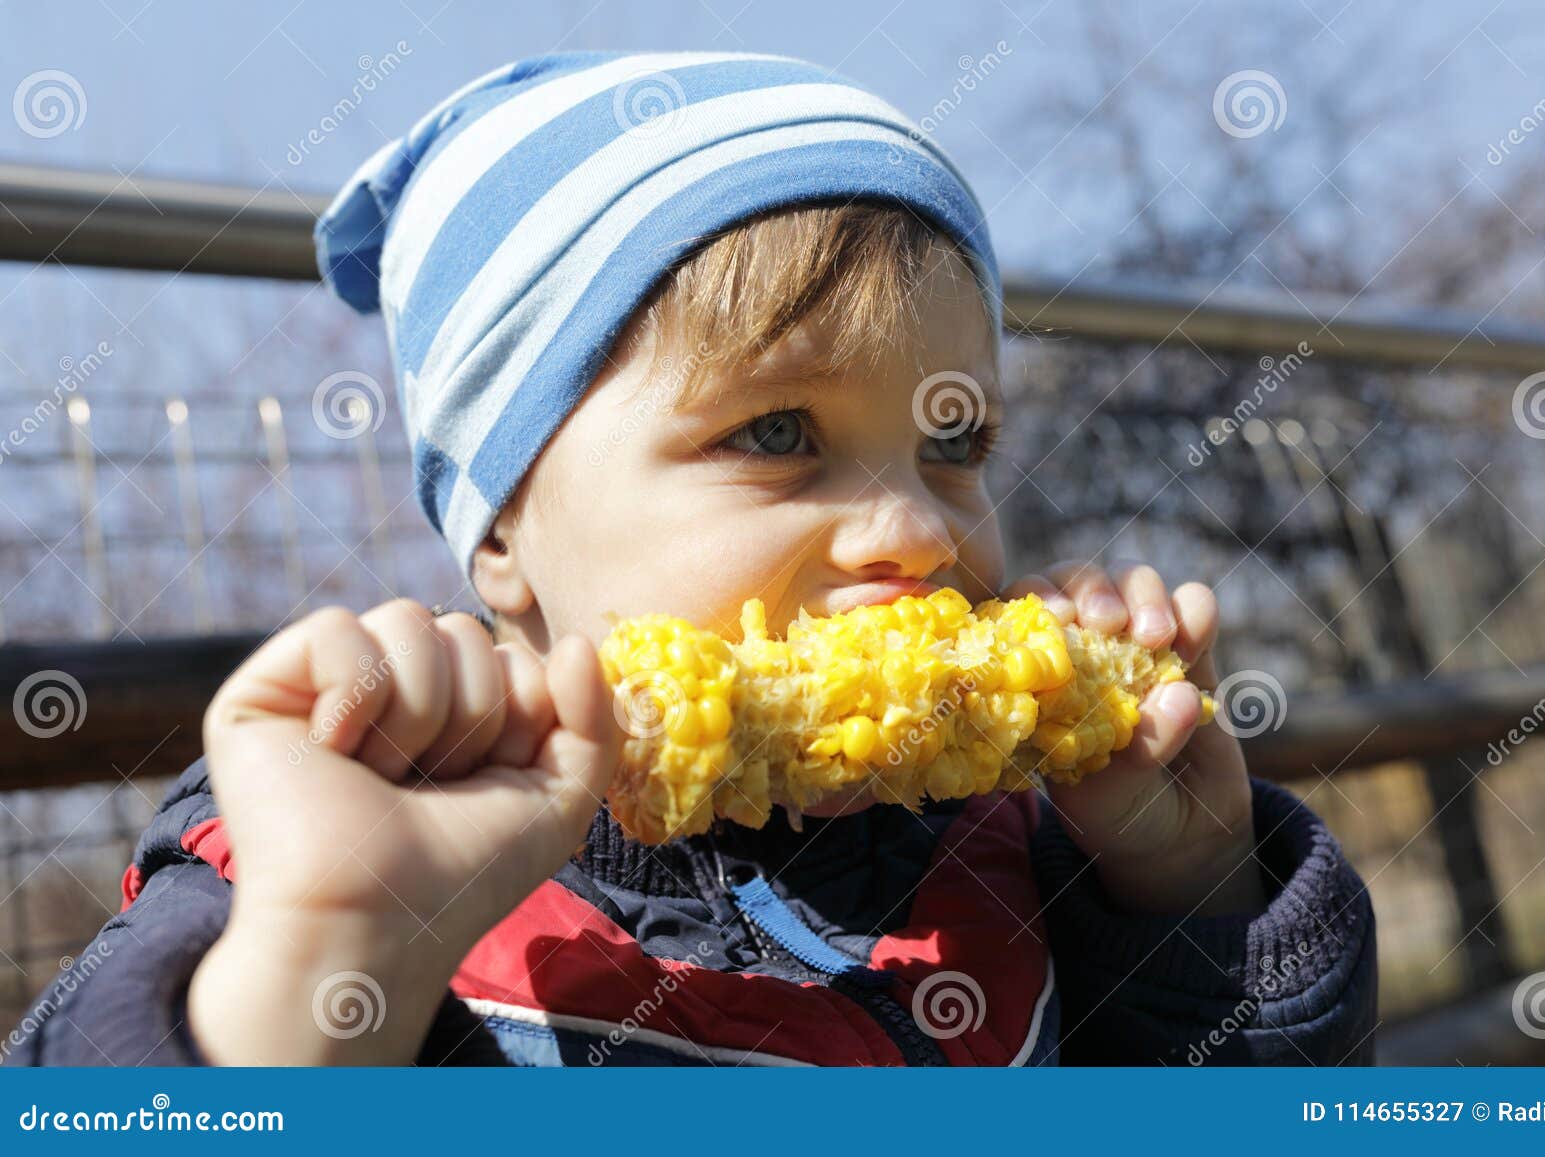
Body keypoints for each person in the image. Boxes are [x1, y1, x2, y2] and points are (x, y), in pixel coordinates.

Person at [5, 50, 1376, 1067]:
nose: (919, 528)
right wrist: (326, 956)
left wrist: (1183, 893)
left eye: (952, 442)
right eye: (778, 432)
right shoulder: (339, 839)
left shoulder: (1023, 855)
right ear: (501, 528)